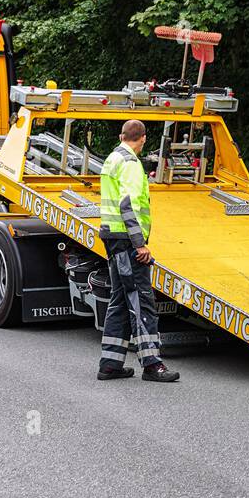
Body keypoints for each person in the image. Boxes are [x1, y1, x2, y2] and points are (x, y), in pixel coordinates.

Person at [97, 119, 179, 382]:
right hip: (126, 240)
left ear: (122, 136)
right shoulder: (131, 164)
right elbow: (128, 205)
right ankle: (152, 364)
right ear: (142, 138)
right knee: (141, 299)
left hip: (112, 237)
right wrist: (139, 244)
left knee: (120, 300)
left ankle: (110, 364)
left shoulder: (112, 159)